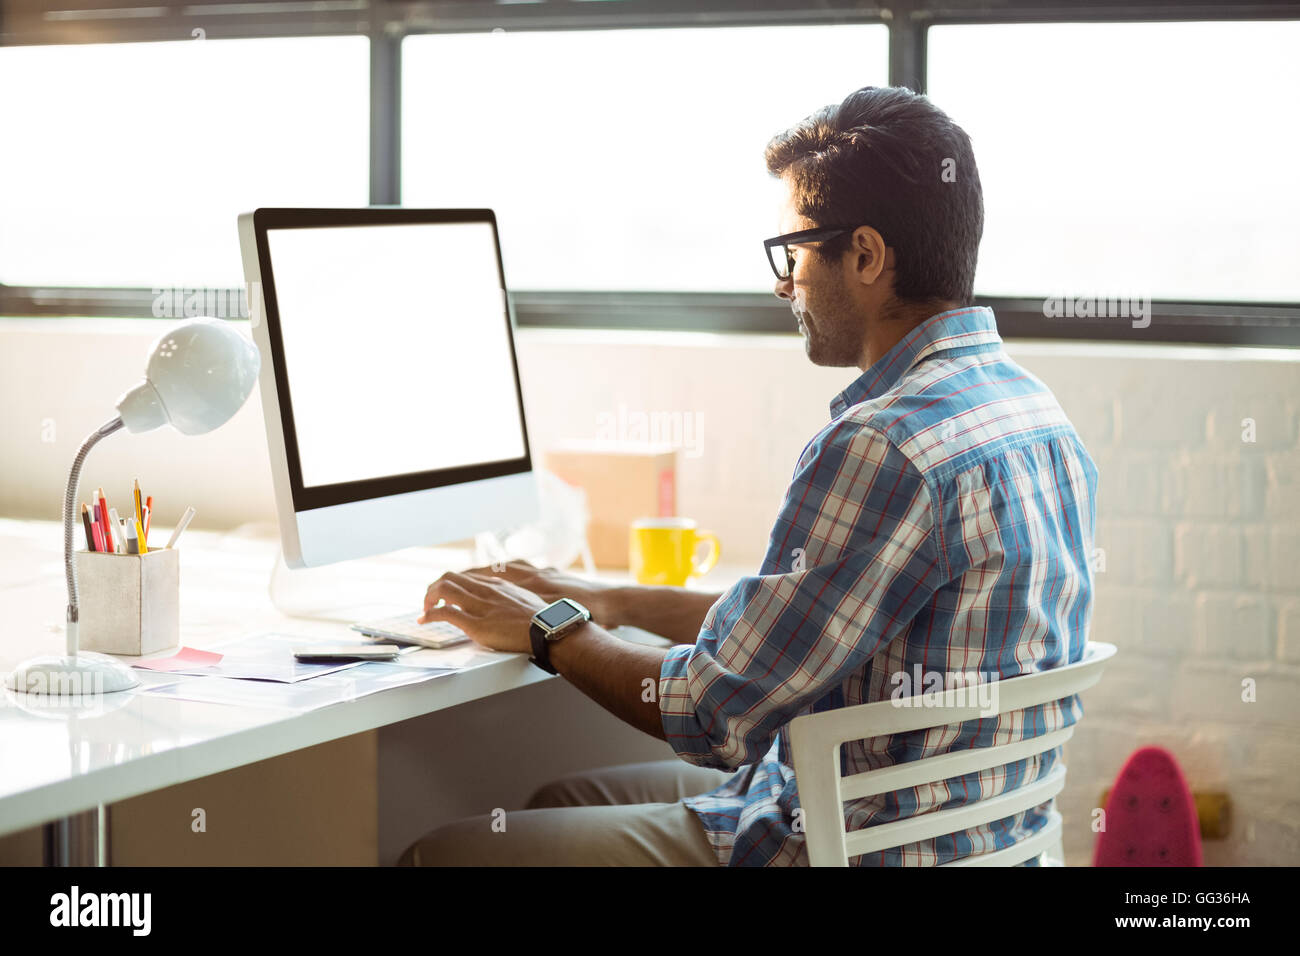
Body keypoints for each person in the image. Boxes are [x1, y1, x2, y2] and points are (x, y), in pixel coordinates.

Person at [399, 85, 1098, 867]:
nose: (782, 284)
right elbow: (800, 625)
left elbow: (712, 716)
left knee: (443, 855)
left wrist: (549, 629)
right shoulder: (1032, 415)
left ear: (865, 255)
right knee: (558, 803)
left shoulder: (883, 443)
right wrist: (612, 598)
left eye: (792, 253)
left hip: (840, 846)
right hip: (975, 841)